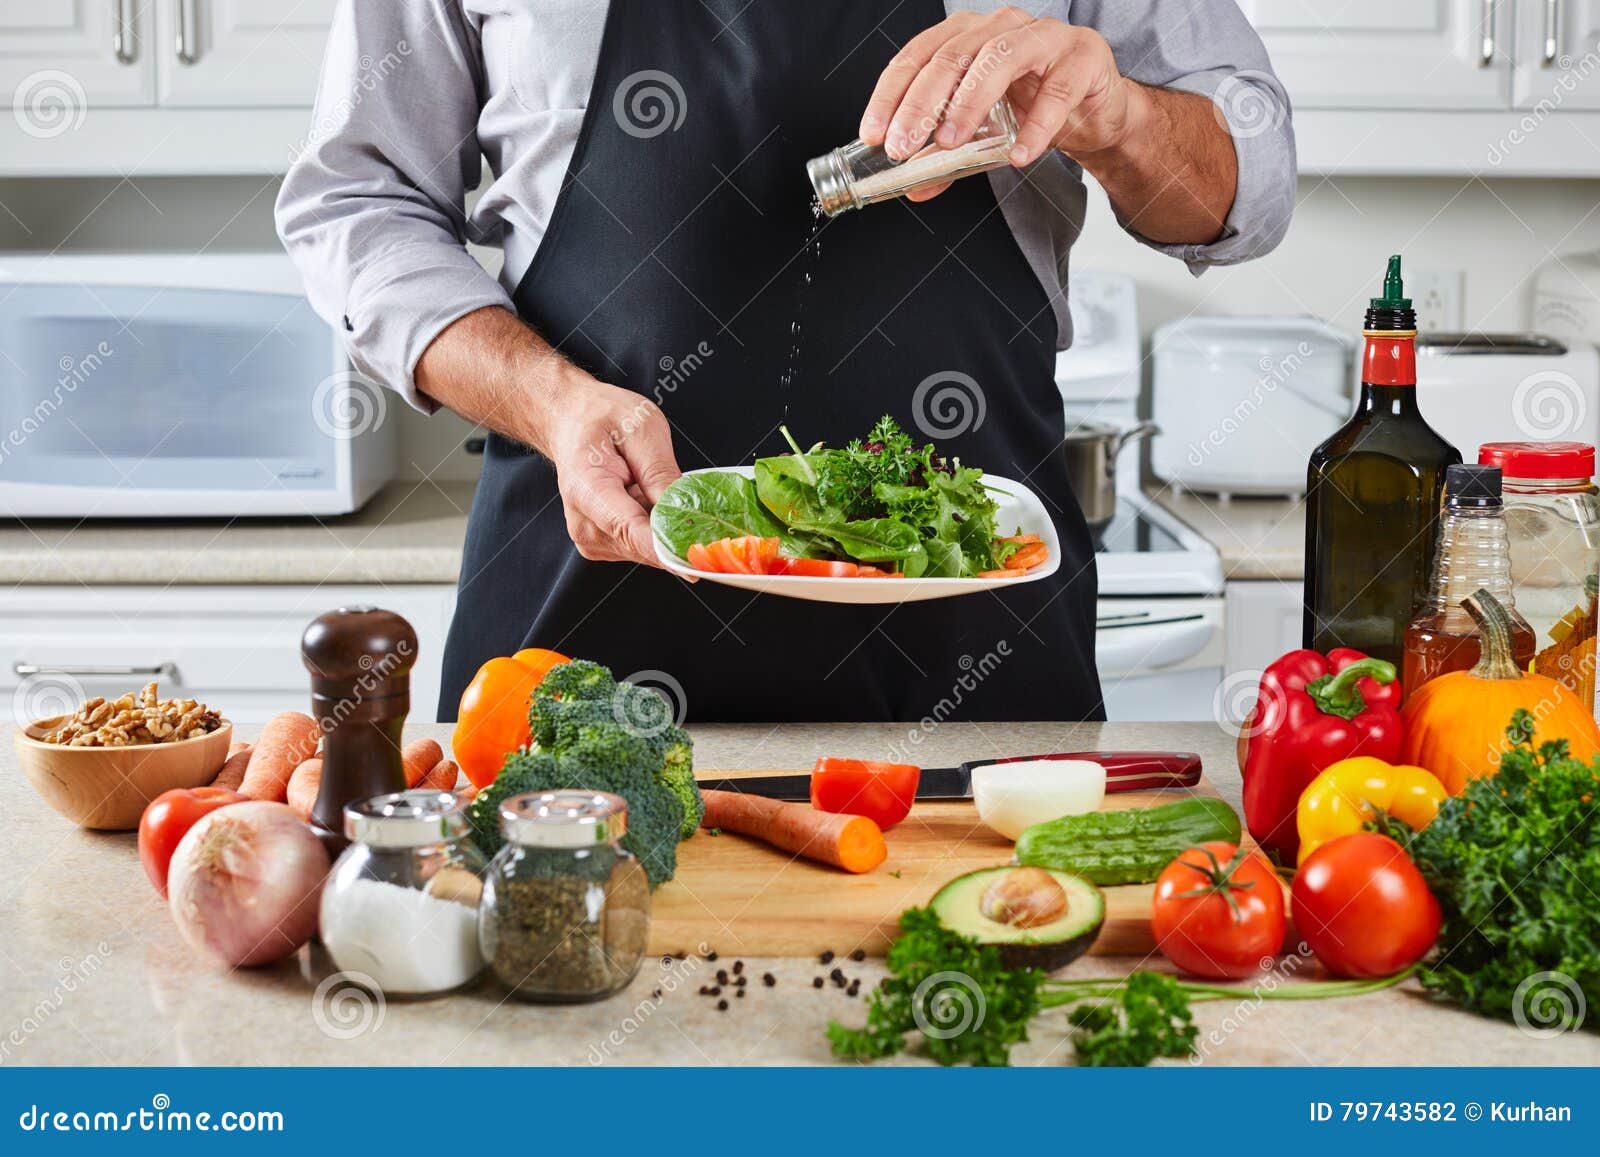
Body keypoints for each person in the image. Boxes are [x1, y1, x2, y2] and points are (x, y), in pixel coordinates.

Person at [277, 1, 1295, 723]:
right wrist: (549, 402)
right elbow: (357, 200)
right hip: (577, 634)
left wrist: (1116, 115)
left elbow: (1243, 190)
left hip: (972, 667)